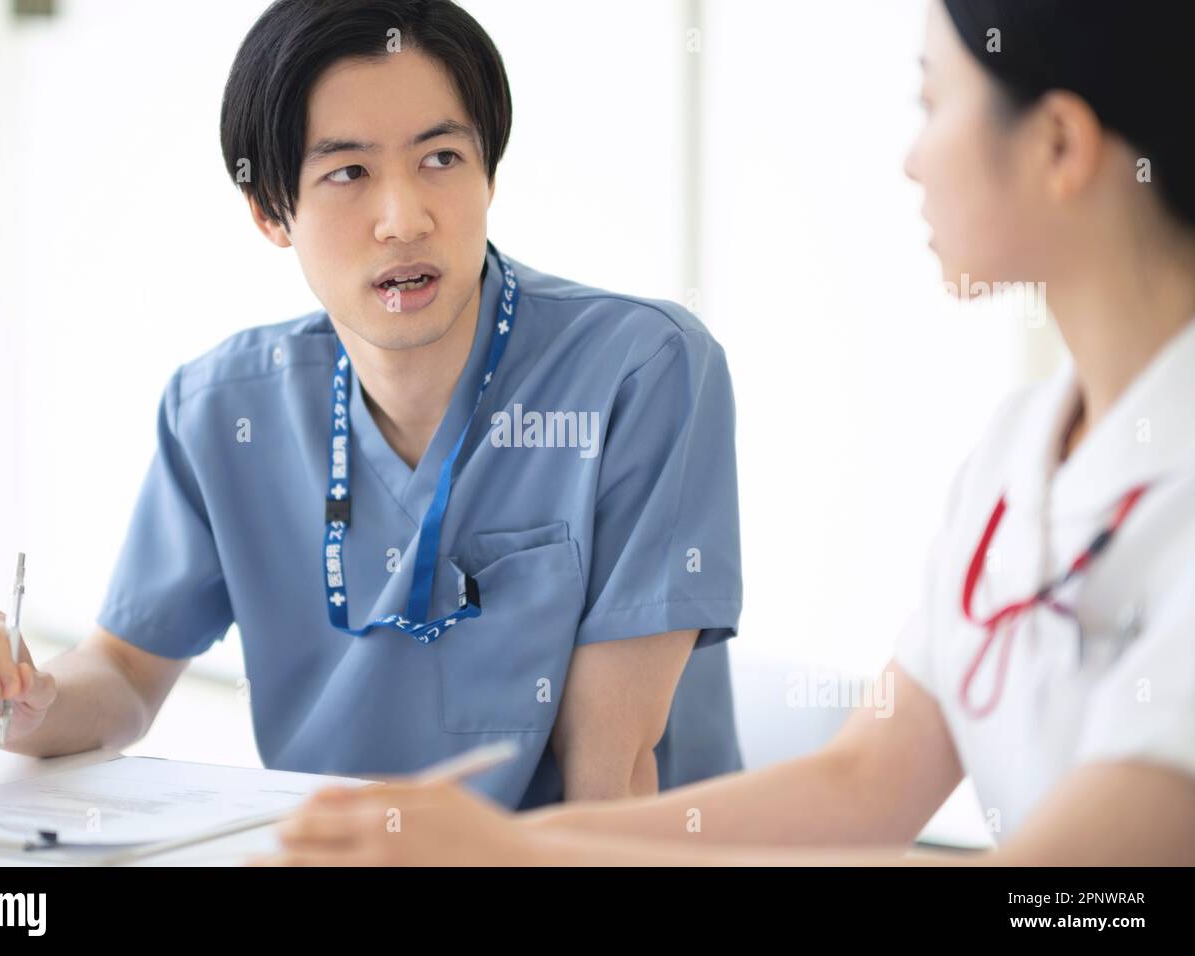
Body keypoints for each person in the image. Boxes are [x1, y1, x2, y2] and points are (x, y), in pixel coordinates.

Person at [249, 0, 1195, 865]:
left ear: (1060, 146)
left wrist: (519, 857)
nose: (911, 158)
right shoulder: (1024, 447)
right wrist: (479, 841)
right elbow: (861, 789)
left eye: (932, 100)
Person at [0, 0, 745, 810]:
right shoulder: (221, 411)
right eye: (348, 172)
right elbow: (126, 676)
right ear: (270, 210)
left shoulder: (640, 372)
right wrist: (21, 701)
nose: (404, 218)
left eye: (442, 159)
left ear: (489, 170)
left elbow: (614, 780)